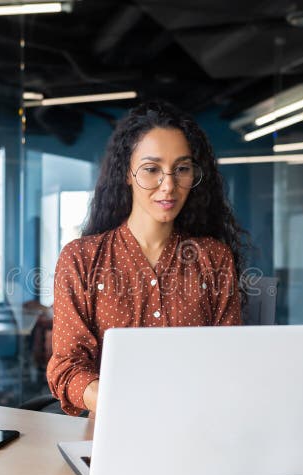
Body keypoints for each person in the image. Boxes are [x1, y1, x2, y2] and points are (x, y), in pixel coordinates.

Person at [46, 101, 246, 415]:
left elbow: (231, 360)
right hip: (111, 434)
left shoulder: (214, 258)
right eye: (151, 169)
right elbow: (67, 367)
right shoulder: (81, 259)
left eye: (181, 169)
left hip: (197, 428)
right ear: (126, 172)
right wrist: (126, 403)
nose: (169, 185)